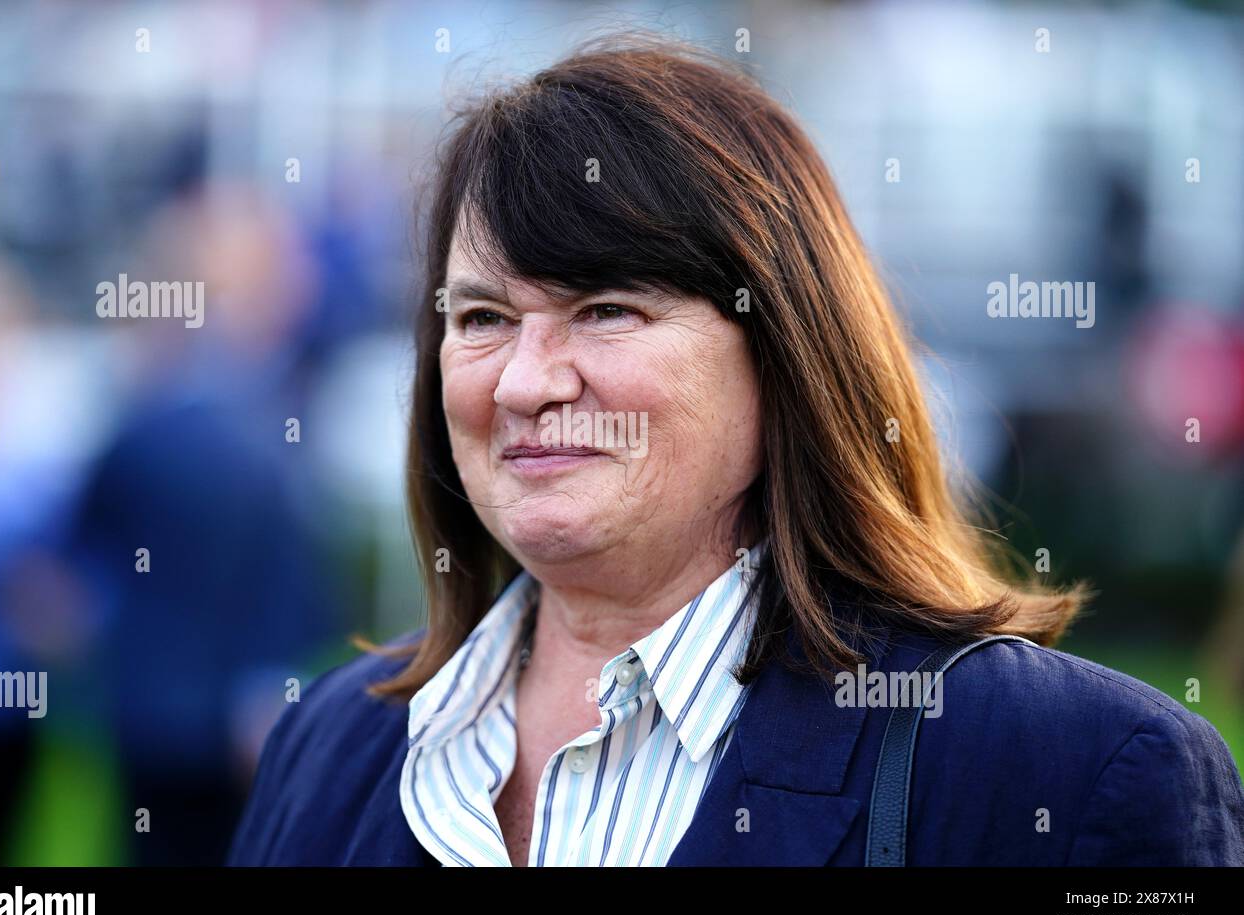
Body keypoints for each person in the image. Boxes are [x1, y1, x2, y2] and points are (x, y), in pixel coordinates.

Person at [226, 33, 1244, 866]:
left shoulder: (1068, 773)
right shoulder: (330, 741)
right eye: (484, 317)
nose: (526, 380)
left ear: (785, 352)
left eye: (607, 309)